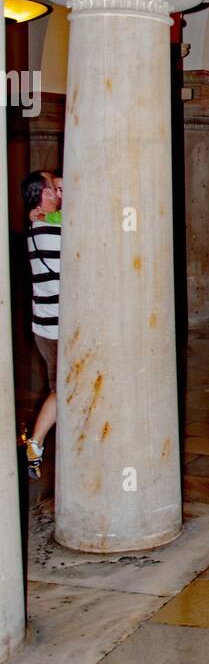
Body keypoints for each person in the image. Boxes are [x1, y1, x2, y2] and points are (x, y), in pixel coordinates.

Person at [20, 169, 62, 478]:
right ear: (45, 194)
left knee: (62, 388)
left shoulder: (38, 224)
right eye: (56, 189)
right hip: (57, 326)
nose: (61, 193)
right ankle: (36, 441)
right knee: (62, 389)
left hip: (45, 322)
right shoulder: (47, 230)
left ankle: (38, 442)